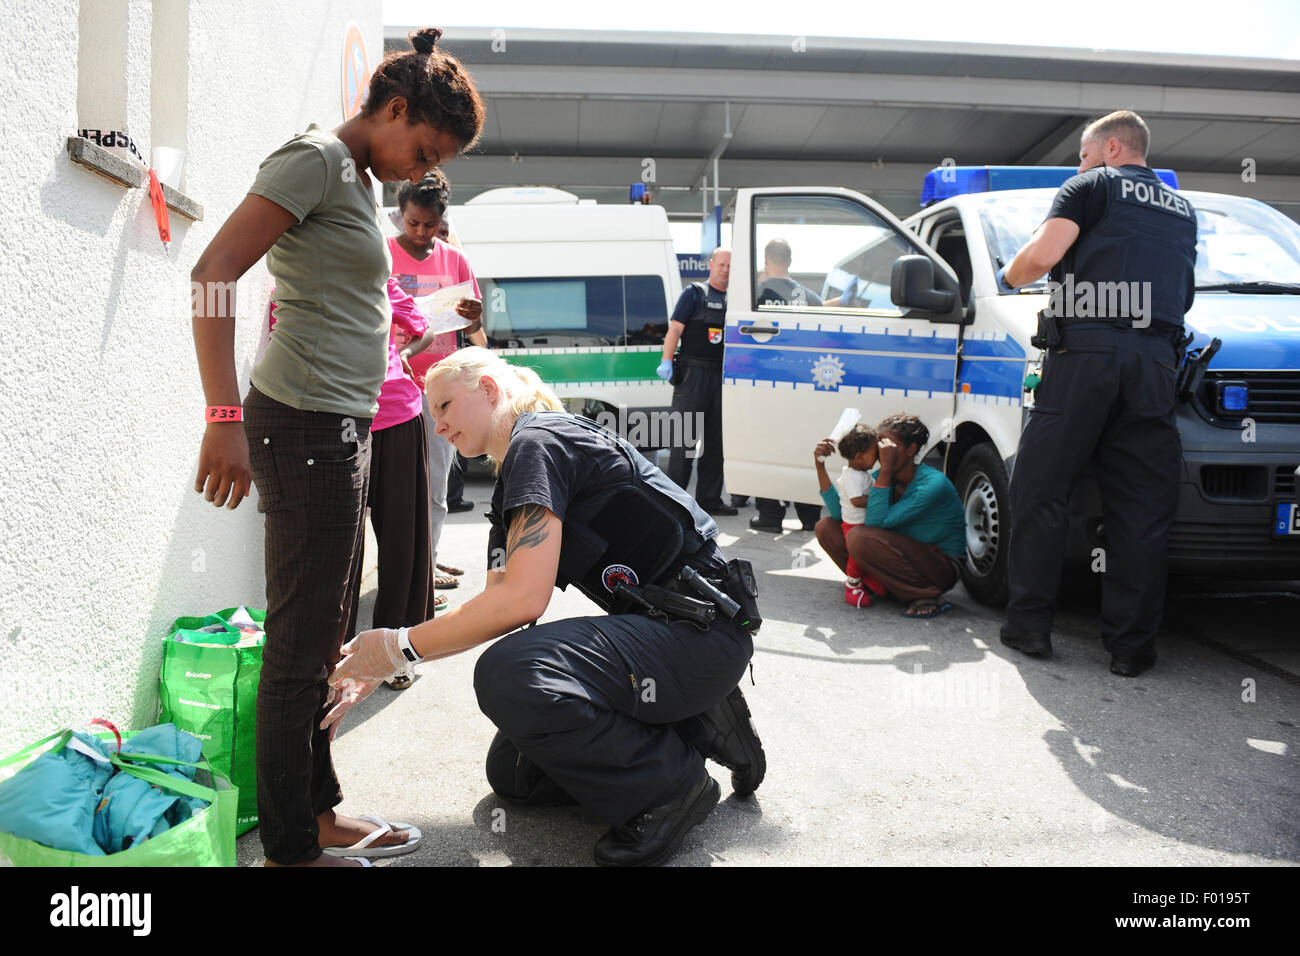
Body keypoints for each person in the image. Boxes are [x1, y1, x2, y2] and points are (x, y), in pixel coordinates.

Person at [190, 26, 484, 867]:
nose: (418, 169)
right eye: (421, 146)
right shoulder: (315, 158)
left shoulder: (353, 179)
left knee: (322, 638)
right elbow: (213, 273)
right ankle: (292, 846)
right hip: (302, 426)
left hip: (343, 427)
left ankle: (317, 814)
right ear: (393, 108)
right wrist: (222, 417)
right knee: (299, 647)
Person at [323, 348, 767, 867]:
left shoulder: (539, 442)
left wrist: (398, 648)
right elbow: (497, 606)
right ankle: (692, 722)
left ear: (489, 390)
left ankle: (670, 788)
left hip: (700, 635)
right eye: (432, 413)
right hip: (669, 637)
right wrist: (388, 660)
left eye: (445, 405)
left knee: (512, 674)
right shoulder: (515, 477)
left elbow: (522, 600)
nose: (437, 426)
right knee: (514, 775)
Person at [996, 110, 1197, 677]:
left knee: (1041, 489)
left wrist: (1010, 276)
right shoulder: (1183, 209)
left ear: (1111, 147)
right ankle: (1132, 647)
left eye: (1083, 153)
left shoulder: (1089, 185)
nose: (1078, 164)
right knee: (1141, 507)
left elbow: (1041, 256)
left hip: (1086, 354)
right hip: (1156, 361)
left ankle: (1030, 626)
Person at [388, 171, 485, 589]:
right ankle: (407, 569)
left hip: (441, 386)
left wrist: (473, 315)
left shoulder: (454, 259)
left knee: (436, 483)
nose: (422, 233)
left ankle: (429, 562)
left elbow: (473, 320)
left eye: (430, 225)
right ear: (400, 216)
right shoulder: (384, 254)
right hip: (392, 384)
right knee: (395, 487)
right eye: (413, 223)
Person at [828, 414, 965, 618]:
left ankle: (925, 595)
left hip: (939, 566)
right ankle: (880, 586)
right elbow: (841, 513)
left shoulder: (932, 484)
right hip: (901, 552)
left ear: (911, 449)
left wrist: (886, 470)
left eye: (890, 446)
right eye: (880, 444)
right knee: (827, 528)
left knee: (860, 537)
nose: (882, 452)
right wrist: (820, 467)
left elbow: (876, 523)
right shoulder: (882, 478)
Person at [657, 248, 737, 516]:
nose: (725, 269)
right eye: (722, 264)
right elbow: (675, 330)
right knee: (683, 441)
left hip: (722, 377)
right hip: (693, 375)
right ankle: (676, 501)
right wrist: (667, 360)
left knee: (716, 442)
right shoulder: (694, 293)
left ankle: (709, 500)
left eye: (730, 265)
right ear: (712, 264)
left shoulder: (736, 300)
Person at [751, 239, 824, 532]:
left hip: (765, 383)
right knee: (805, 446)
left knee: (766, 448)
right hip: (804, 385)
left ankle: (770, 516)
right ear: (790, 261)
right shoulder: (810, 297)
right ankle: (808, 516)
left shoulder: (756, 295)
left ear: (766, 259)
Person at [814, 425, 889, 608]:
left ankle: (866, 579)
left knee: (864, 555)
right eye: (875, 452)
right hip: (854, 526)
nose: (880, 456)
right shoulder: (852, 476)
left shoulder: (863, 474)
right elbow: (856, 501)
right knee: (856, 555)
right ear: (858, 457)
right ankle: (853, 583)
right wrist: (877, 497)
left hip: (860, 524)